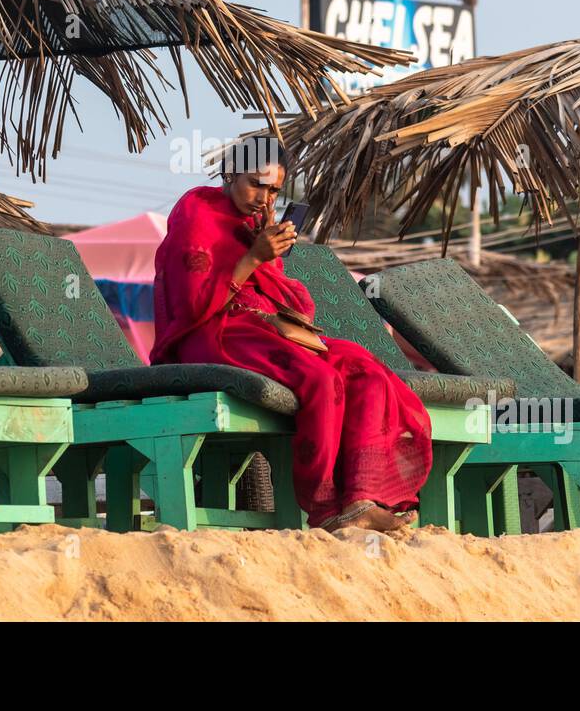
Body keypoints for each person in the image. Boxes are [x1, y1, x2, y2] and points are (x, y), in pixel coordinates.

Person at [150, 136, 432, 532]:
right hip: (212, 330)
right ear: (230, 174)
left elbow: (284, 296)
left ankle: (361, 498)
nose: (264, 197)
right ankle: (325, 506)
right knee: (320, 377)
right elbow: (191, 304)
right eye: (256, 184)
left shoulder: (253, 223)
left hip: (263, 325)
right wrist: (253, 258)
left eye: (274, 190)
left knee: (365, 369)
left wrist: (266, 255)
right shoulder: (196, 213)